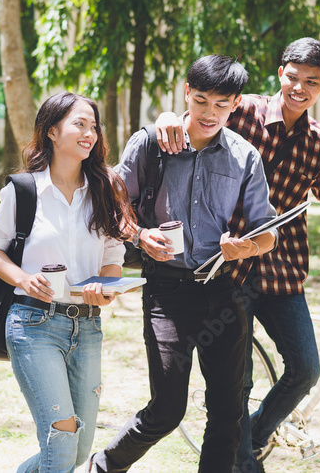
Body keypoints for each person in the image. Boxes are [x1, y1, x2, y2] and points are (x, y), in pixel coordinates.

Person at [156, 38, 320, 472]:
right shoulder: (240, 112)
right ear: (280, 73)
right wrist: (167, 118)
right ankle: (244, 462)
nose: (300, 88)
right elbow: (194, 118)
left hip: (282, 269)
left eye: (312, 82)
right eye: (293, 77)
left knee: (305, 369)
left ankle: (253, 439)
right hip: (227, 270)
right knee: (236, 384)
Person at [89, 55, 278, 473]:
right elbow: (114, 205)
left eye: (222, 104)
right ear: (187, 93)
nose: (210, 113)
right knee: (167, 409)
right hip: (167, 290)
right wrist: (140, 235)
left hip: (223, 289)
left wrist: (246, 248)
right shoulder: (151, 143)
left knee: (229, 410)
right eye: (202, 100)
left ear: (236, 103)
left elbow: (268, 232)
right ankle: (103, 466)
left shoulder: (244, 156)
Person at [0, 92, 136, 473]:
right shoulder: (24, 189)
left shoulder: (104, 188)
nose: (90, 133)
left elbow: (113, 255)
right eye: (79, 124)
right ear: (51, 131)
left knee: (77, 450)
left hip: (88, 327)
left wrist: (106, 288)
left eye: (94, 126)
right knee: (61, 443)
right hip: (34, 325)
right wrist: (23, 278)